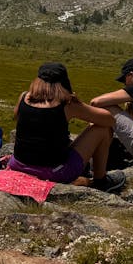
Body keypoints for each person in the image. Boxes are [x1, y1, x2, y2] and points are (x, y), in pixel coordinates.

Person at [7, 62, 125, 193]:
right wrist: (79, 103)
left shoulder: (24, 97)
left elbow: (19, 117)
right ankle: (101, 181)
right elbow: (109, 120)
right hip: (53, 172)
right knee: (101, 130)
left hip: (17, 165)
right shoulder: (67, 104)